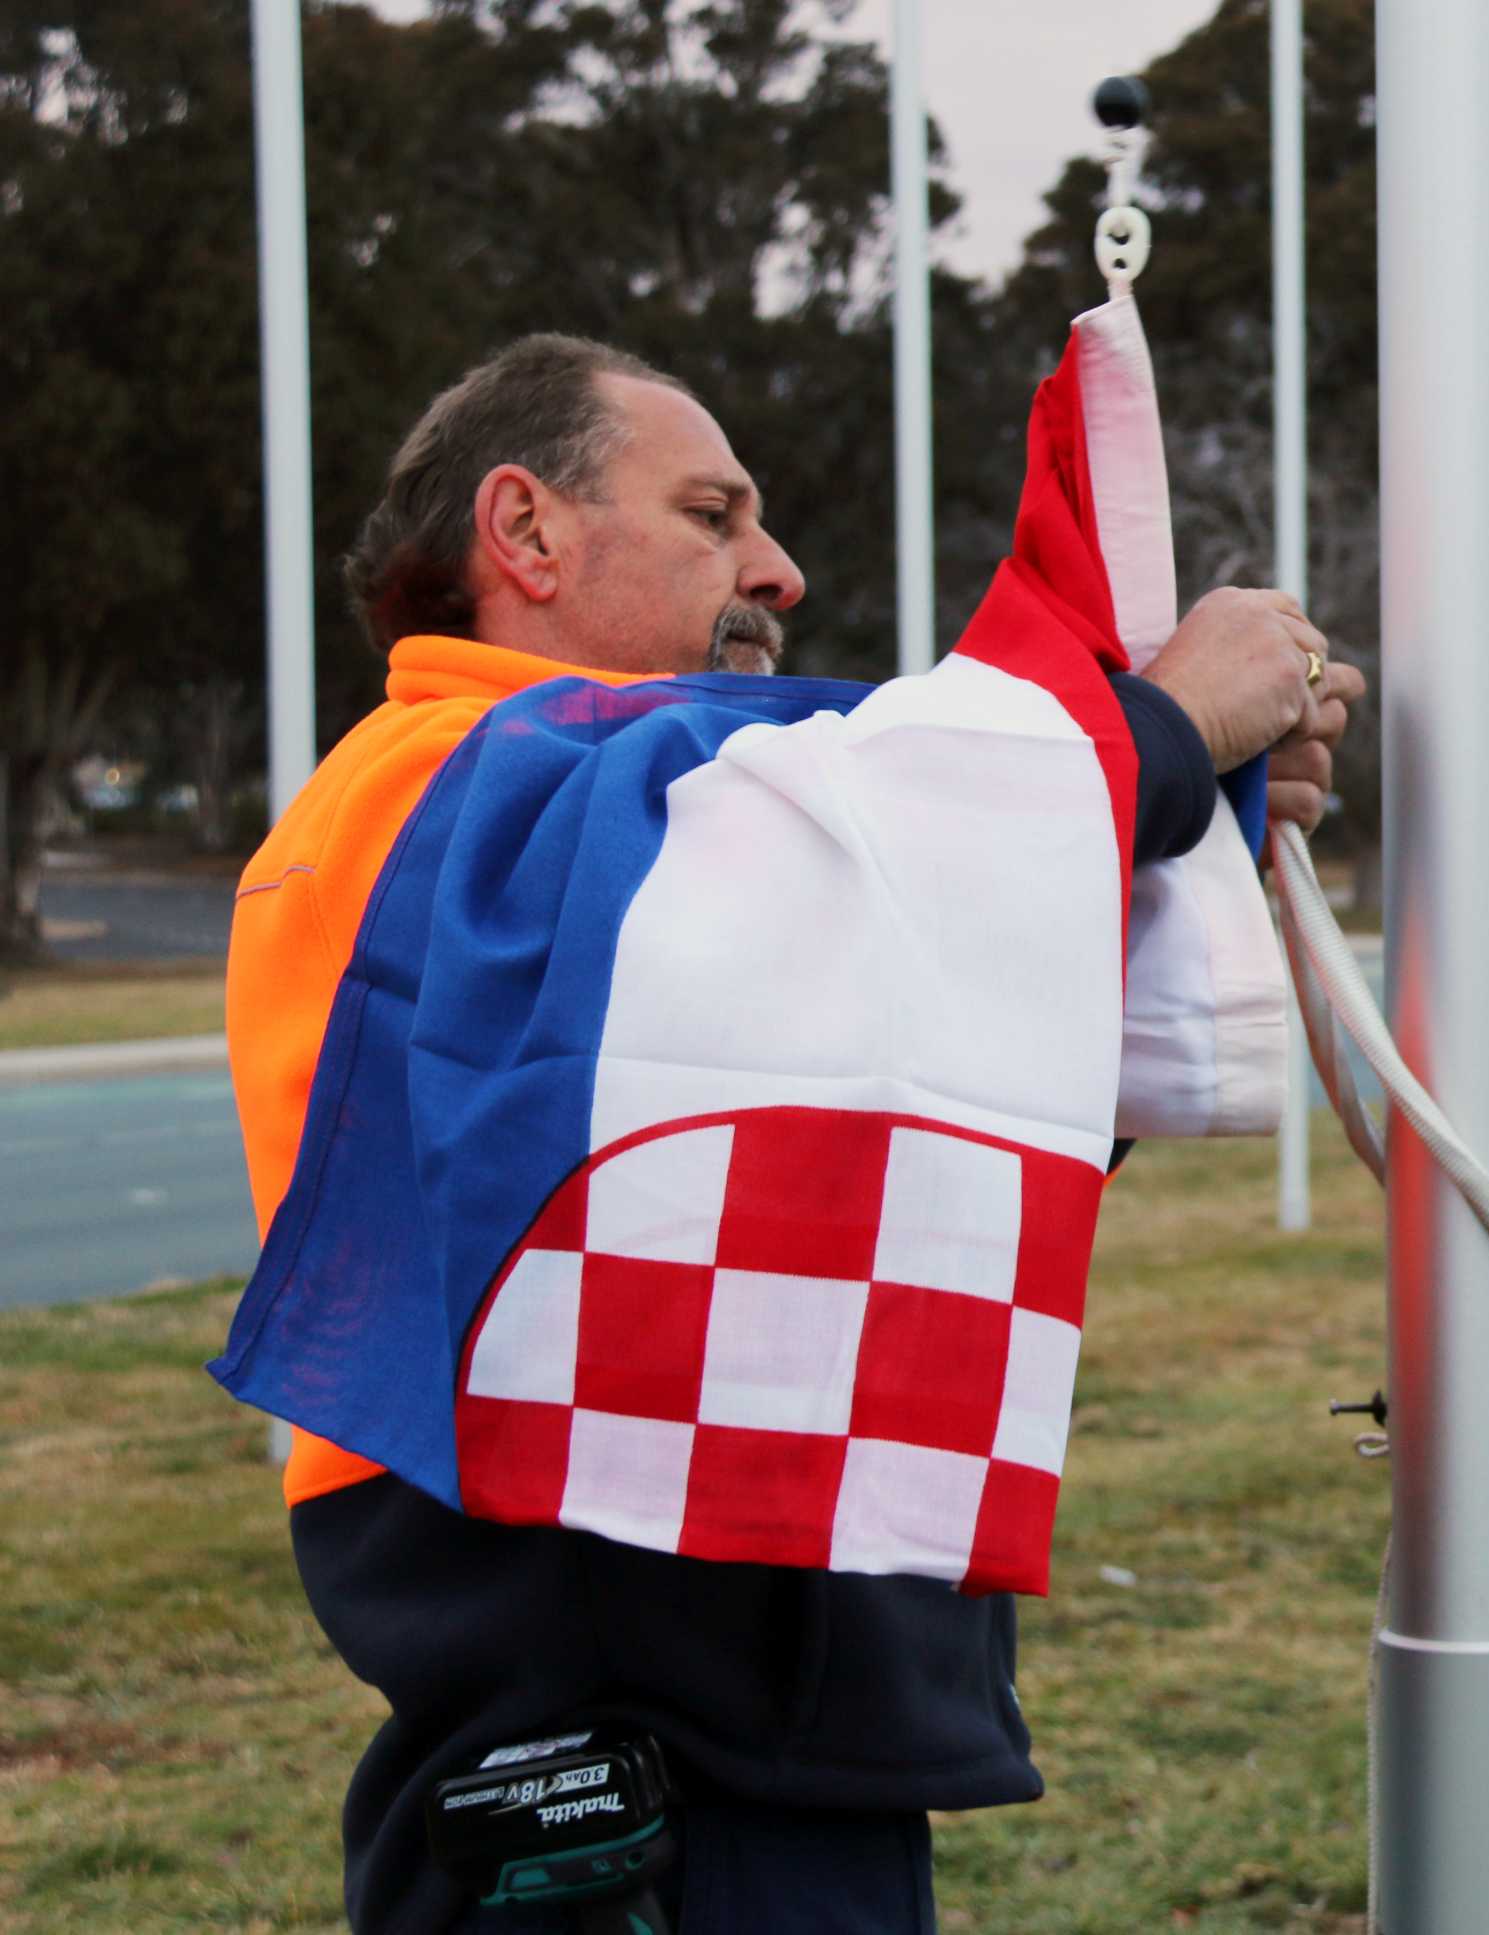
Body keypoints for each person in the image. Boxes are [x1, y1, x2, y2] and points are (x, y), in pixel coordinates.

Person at [225, 333, 1364, 1932]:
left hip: (727, 1758)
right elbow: (781, 880)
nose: (781, 567)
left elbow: (862, 1132)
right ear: (525, 532)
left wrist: (1181, 829)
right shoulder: (443, 787)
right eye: (713, 514)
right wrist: (1153, 737)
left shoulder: (593, 812)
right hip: (625, 1776)